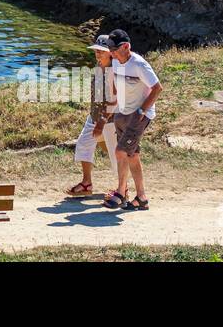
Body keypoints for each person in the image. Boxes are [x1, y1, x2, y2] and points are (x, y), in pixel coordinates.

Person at [103, 30, 161, 211]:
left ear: (126, 46)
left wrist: (141, 111)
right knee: (132, 156)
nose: (111, 52)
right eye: (109, 49)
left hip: (139, 115)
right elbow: (116, 84)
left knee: (120, 151)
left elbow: (157, 88)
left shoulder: (140, 65)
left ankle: (120, 193)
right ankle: (141, 198)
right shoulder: (115, 61)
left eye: (114, 49)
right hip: (123, 113)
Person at [68, 34, 118, 196]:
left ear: (111, 52)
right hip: (95, 116)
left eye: (101, 51)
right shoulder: (98, 66)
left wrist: (101, 122)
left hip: (111, 120)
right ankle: (86, 183)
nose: (98, 54)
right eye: (96, 51)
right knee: (83, 144)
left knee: (116, 154)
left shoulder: (115, 71)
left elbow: (114, 101)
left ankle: (122, 189)